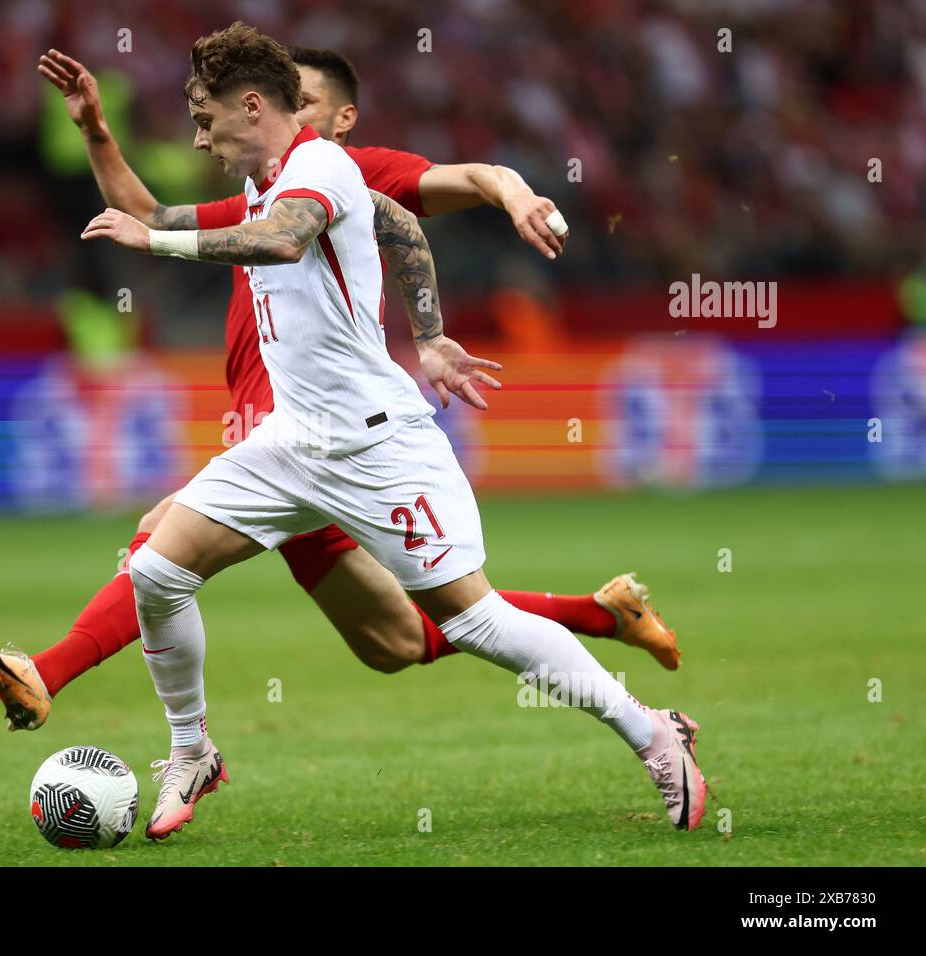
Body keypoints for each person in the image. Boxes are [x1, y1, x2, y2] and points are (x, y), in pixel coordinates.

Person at [75, 22, 706, 839]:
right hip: (290, 442)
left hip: (375, 444)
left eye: (205, 117)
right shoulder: (270, 177)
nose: (198, 136)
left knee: (471, 621)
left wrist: (156, 241)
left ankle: (654, 733)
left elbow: (280, 240)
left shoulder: (316, 167)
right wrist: (433, 333)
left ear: (253, 105)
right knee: (157, 571)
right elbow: (401, 229)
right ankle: (193, 750)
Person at [0, 41, 681, 736]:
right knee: (396, 640)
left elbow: (469, 179)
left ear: (334, 116)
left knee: (160, 548)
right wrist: (97, 131)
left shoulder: (349, 172)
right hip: (282, 432)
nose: (287, 107)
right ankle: (597, 613)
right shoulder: (263, 185)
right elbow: (148, 215)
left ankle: (102, 704)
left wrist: (516, 195)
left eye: (305, 97)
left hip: (317, 433)